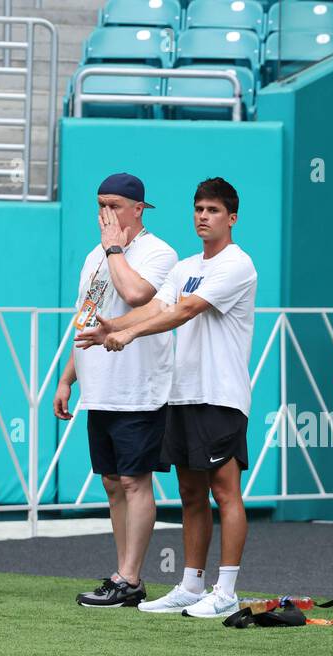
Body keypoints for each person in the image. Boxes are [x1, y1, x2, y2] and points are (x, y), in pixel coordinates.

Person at [76, 177, 257, 619]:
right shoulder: (187, 265)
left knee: (225, 492)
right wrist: (111, 329)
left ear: (231, 218)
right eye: (198, 209)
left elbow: (184, 310)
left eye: (213, 211)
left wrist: (130, 332)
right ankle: (192, 585)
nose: (203, 217)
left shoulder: (237, 264)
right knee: (190, 492)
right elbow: (155, 306)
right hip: (182, 394)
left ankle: (226, 589)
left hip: (221, 394)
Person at [56, 173, 177, 609]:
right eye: (100, 205)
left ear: (138, 209)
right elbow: (87, 319)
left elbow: (137, 294)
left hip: (140, 388)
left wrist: (114, 249)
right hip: (100, 388)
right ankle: (126, 574)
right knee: (111, 482)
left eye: (114, 205)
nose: (105, 214)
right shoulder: (93, 256)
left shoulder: (159, 252)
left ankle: (129, 576)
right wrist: (68, 376)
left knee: (133, 479)